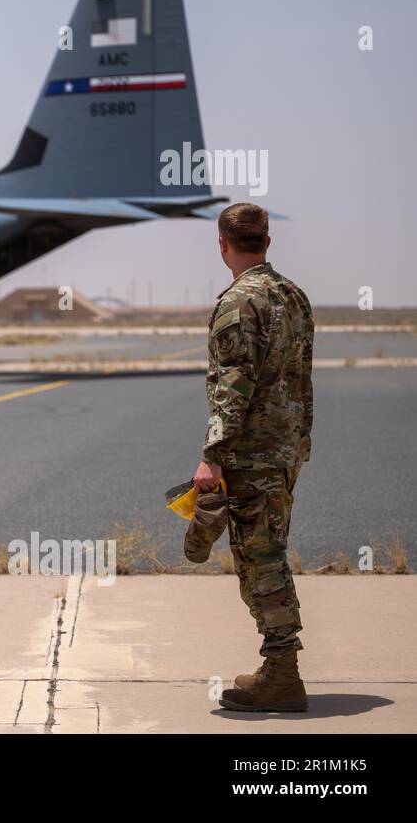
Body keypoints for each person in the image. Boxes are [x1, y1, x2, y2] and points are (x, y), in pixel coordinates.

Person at [191, 202, 314, 713]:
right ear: (267, 241)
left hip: (253, 453)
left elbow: (234, 385)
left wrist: (213, 455)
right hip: (285, 450)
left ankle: (282, 675)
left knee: (260, 559)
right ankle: (279, 668)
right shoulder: (293, 295)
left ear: (223, 244)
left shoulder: (239, 302)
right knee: (268, 552)